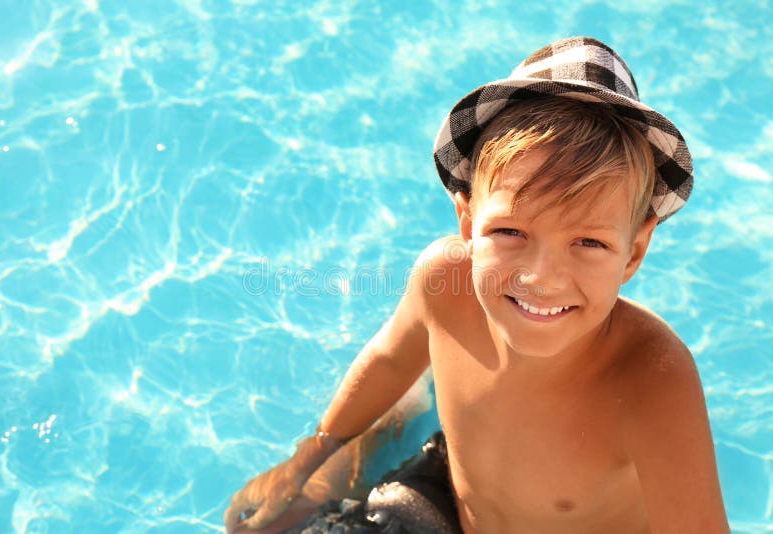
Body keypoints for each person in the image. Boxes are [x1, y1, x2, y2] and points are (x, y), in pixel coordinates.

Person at [225, 36, 730, 533]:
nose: (540, 277)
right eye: (510, 232)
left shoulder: (651, 378)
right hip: (446, 499)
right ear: (467, 223)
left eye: (588, 243)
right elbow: (389, 361)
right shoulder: (444, 283)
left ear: (635, 252)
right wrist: (303, 466)